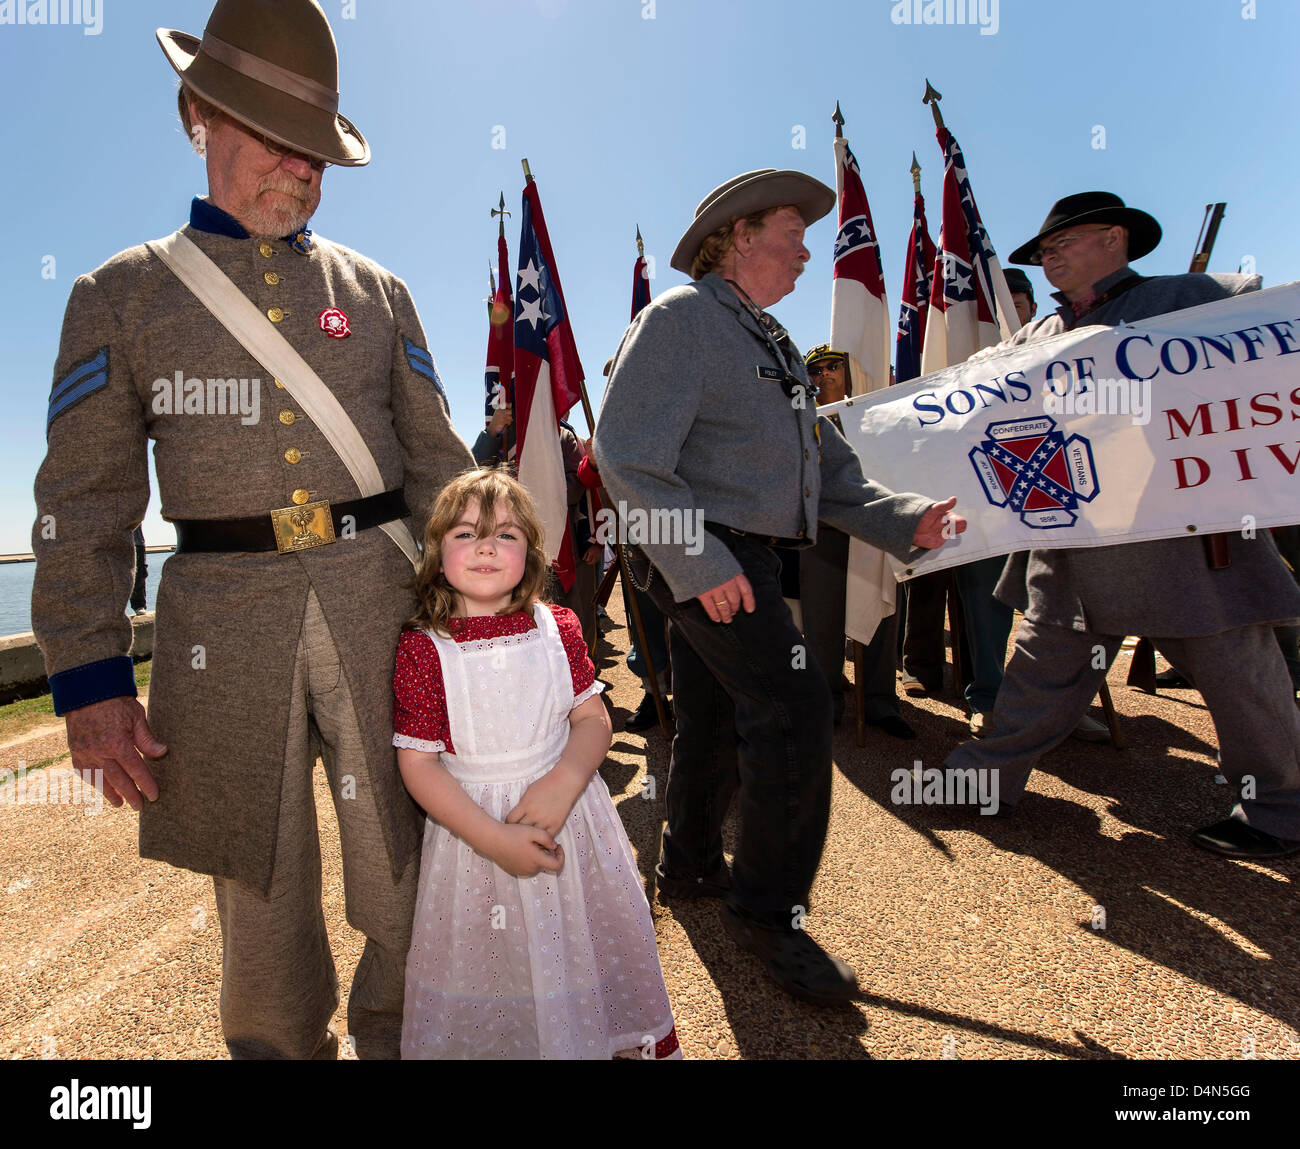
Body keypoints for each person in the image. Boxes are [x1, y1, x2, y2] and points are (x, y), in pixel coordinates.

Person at [31, 0, 475, 1059]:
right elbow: (85, 499)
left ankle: (407, 1042)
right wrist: (89, 678)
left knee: (406, 865)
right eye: (275, 143)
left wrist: (496, 614)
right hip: (218, 632)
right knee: (258, 895)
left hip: (381, 607)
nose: (298, 172)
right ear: (199, 116)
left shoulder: (378, 292)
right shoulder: (120, 296)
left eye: (315, 154)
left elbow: (438, 469)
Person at [594, 169, 966, 1004]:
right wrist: (701, 560)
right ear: (739, 237)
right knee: (797, 709)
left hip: (739, 553)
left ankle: (689, 866)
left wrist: (905, 518)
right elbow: (626, 454)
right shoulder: (683, 319)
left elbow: (827, 471)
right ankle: (769, 914)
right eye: (792, 231)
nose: (808, 250)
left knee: (716, 710)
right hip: (706, 550)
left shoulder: (773, 342)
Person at [945, 191, 1300, 858]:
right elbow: (973, 394)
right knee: (1037, 672)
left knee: (1239, 680)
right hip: (1073, 540)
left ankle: (1283, 810)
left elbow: (1272, 324)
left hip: (1183, 538)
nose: (1047, 256)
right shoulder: (1039, 336)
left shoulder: (1189, 295)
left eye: (1062, 244)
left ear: (1115, 238)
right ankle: (978, 782)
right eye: (1043, 251)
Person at [393, 469, 679, 1059]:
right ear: (437, 550)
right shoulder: (424, 647)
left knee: (580, 949)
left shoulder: (562, 627)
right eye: (466, 533)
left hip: (572, 827)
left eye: (506, 535)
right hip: (474, 841)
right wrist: (493, 838)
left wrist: (565, 781)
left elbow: (593, 719)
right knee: (496, 972)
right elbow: (418, 766)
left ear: (532, 553)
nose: (486, 546)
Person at [794, 345, 914, 738]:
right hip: (822, 534)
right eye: (816, 369)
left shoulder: (879, 413)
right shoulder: (800, 417)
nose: (824, 374)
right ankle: (825, 703)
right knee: (821, 623)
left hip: (873, 530)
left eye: (833, 366)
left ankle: (880, 702)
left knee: (881, 617)